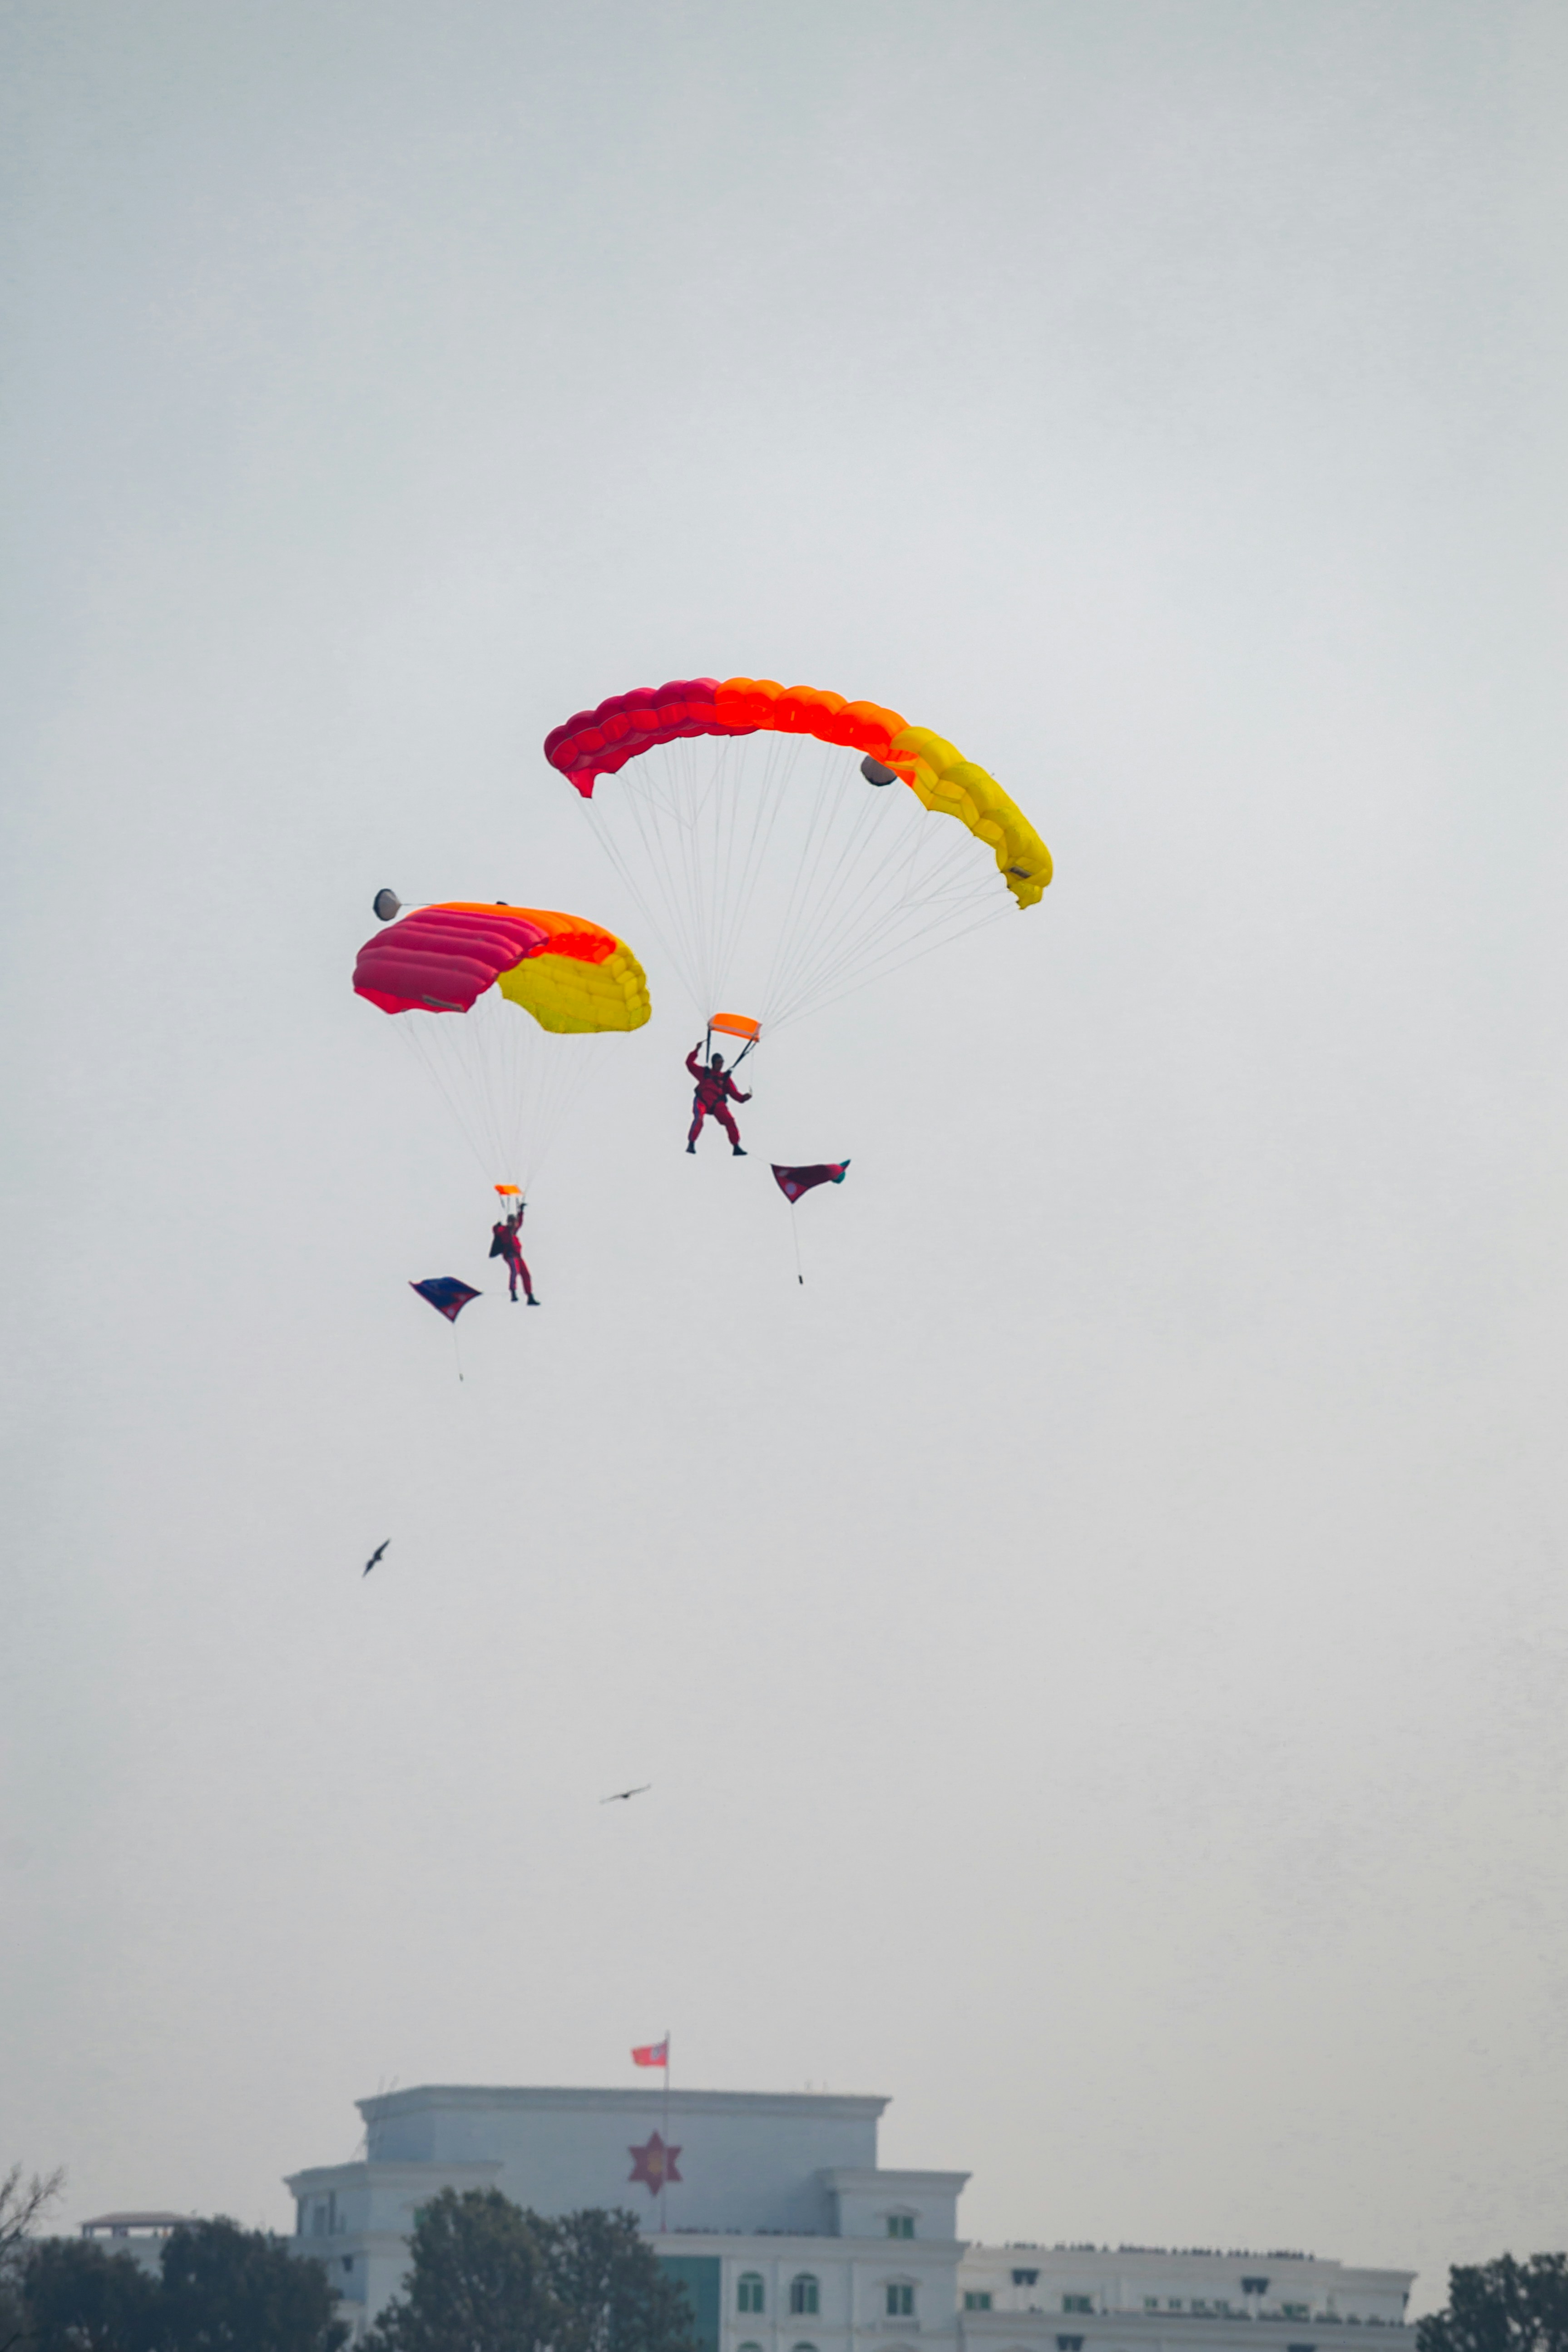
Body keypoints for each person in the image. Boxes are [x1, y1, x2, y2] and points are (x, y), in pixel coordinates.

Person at [685, 1041, 751, 1155]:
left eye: (722, 1063)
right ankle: (691, 1144)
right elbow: (689, 1064)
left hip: (717, 1104)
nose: (721, 1065)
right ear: (713, 1063)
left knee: (730, 1121)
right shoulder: (705, 1073)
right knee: (699, 1119)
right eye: (718, 1063)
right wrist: (696, 1051)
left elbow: (735, 1095)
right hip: (702, 1101)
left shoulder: (725, 1078)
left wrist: (744, 1098)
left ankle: (736, 1147)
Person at [488, 1204, 539, 1304]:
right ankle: (513, 1292)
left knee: (526, 1274)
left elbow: (520, 1222)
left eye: (514, 1222)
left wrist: (521, 1211)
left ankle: (530, 1297)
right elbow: (496, 1230)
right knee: (515, 1271)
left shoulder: (514, 1230)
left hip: (518, 1257)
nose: (514, 1224)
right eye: (512, 1222)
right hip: (510, 1255)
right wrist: (497, 1226)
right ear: (509, 1222)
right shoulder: (504, 1230)